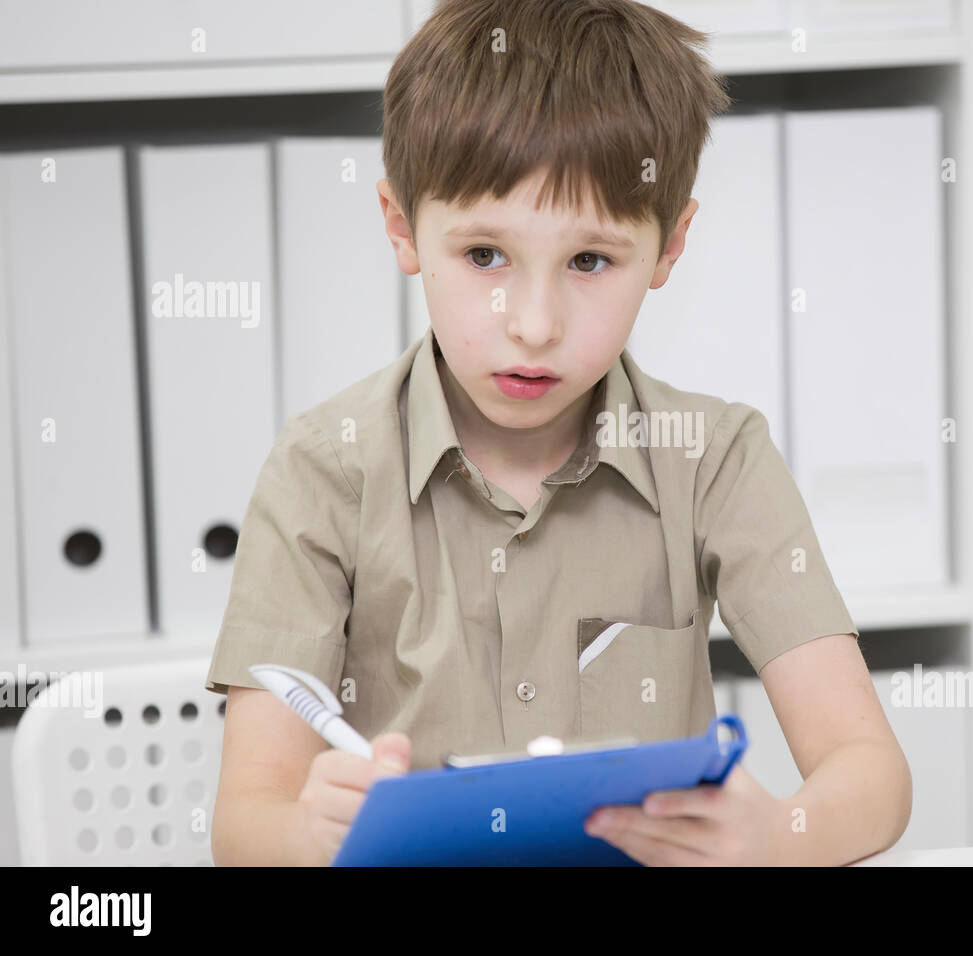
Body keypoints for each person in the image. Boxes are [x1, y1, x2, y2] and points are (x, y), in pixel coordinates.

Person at [208, 0, 911, 867]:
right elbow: (246, 827)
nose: (533, 325)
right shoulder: (322, 471)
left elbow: (871, 776)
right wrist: (306, 833)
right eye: (485, 257)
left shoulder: (715, 460)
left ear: (669, 248)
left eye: (589, 261)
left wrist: (777, 836)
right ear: (401, 227)